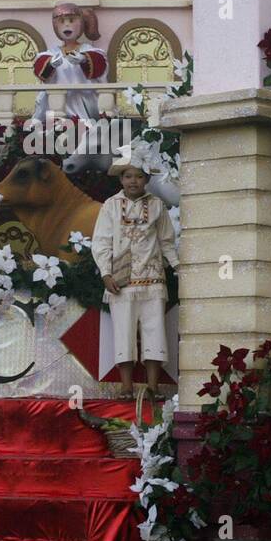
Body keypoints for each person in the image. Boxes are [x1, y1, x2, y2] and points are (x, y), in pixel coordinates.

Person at [91, 146, 179, 398]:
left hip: (152, 280)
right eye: (128, 176)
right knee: (124, 332)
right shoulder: (110, 205)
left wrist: (178, 267)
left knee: (155, 331)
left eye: (139, 176)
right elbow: (101, 242)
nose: (133, 181)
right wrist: (106, 274)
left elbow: (166, 241)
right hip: (121, 281)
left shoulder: (157, 206)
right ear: (121, 179)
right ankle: (126, 387)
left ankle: (152, 388)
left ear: (147, 180)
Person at [32, 3, 108, 122]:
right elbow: (39, 69)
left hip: (83, 104)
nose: (67, 24)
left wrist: (84, 59)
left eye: (72, 20)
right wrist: (50, 64)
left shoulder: (89, 51)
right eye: (62, 21)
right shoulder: (51, 53)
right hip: (55, 104)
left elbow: (99, 64)